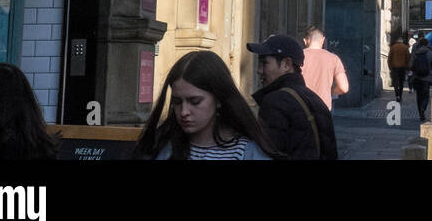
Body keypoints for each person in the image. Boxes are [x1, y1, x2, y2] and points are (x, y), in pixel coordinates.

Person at [132, 51, 276, 160]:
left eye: (195, 101)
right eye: (177, 102)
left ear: (219, 99)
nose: (184, 112)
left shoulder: (247, 152)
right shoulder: (163, 147)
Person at [247, 33, 338, 159]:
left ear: (286, 65)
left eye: (265, 63)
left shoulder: (276, 101)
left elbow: (268, 153)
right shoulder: (317, 101)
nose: (259, 70)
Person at [301, 25, 349, 111]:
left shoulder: (298, 57)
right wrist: (331, 91)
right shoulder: (333, 58)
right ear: (323, 40)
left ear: (305, 41)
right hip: (323, 108)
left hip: (301, 107)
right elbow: (344, 88)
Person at [409, 37, 432, 121]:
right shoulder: (431, 53)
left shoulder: (415, 53)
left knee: (419, 96)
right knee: (426, 95)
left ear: (419, 44)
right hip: (427, 78)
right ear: (427, 44)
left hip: (417, 77)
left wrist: (414, 70)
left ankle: (420, 111)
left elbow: (410, 66)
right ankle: (423, 108)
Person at [388, 34, 410, 103]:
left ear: (397, 41)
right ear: (402, 41)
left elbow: (389, 58)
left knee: (395, 82)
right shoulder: (405, 47)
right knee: (401, 82)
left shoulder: (393, 47)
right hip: (403, 67)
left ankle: (397, 95)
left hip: (394, 67)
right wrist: (408, 67)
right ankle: (400, 95)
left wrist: (390, 67)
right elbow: (408, 58)